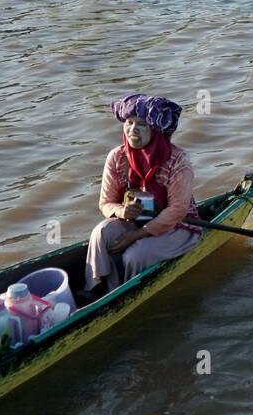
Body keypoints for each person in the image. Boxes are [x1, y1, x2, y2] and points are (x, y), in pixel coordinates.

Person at [84, 94, 202, 296]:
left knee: (136, 256)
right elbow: (106, 202)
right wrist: (122, 211)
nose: (133, 130)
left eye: (142, 125)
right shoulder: (117, 157)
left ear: (156, 131)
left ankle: (128, 295)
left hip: (177, 226)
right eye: (129, 123)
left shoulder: (178, 161)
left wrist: (135, 236)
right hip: (136, 220)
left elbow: (177, 211)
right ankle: (96, 290)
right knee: (101, 233)